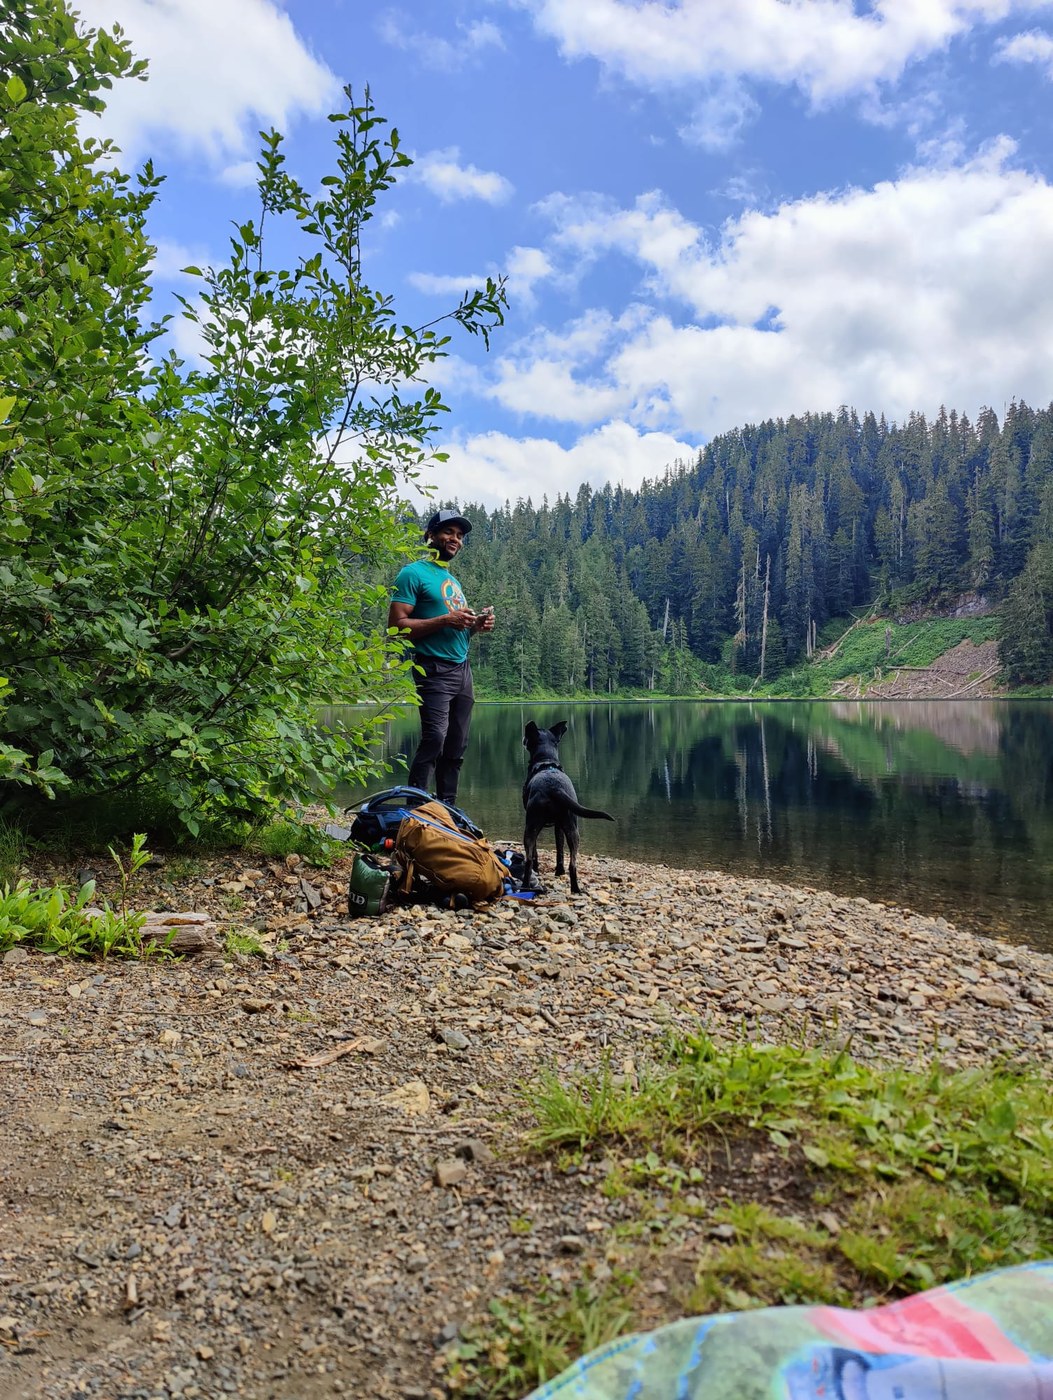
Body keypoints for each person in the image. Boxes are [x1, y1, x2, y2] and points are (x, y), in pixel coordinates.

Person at [387, 508, 494, 804]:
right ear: (431, 535)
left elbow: (456, 630)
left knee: (456, 746)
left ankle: (448, 810)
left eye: (459, 536)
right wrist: (446, 619)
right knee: (435, 739)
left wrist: (475, 626)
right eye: (448, 532)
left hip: (462, 670)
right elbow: (396, 628)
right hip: (433, 668)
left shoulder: (452, 582)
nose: (455, 539)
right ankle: (416, 809)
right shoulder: (412, 573)